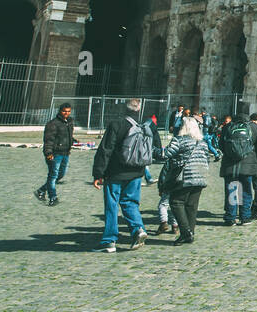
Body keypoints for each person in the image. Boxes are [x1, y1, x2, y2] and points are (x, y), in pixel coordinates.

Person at [90, 98, 150, 253]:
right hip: (136, 172)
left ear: (125, 109)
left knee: (111, 205)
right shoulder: (145, 126)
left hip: (116, 172)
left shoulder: (116, 125)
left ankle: (109, 240)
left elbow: (105, 150)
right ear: (139, 110)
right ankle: (137, 229)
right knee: (130, 202)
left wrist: (98, 173)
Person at [160, 118, 209, 245]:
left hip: (185, 176)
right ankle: (190, 233)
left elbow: (167, 154)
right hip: (200, 176)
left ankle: (186, 232)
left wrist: (155, 151)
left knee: (176, 202)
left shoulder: (180, 140)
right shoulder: (202, 142)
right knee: (192, 206)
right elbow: (207, 158)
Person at [220, 115, 257, 226]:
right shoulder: (253, 128)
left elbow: (221, 145)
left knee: (231, 190)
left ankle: (230, 217)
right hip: (247, 165)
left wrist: (231, 153)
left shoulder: (227, 128)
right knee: (246, 191)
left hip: (230, 166)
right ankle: (244, 217)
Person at [35, 104, 75, 206]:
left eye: (68, 111)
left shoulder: (70, 122)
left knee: (61, 174)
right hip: (55, 154)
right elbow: (48, 140)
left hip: (65, 152)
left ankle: (41, 190)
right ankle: (53, 197)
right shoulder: (52, 124)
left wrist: (73, 141)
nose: (66, 113)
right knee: (53, 176)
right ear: (60, 111)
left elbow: (67, 136)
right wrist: (48, 153)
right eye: (64, 111)